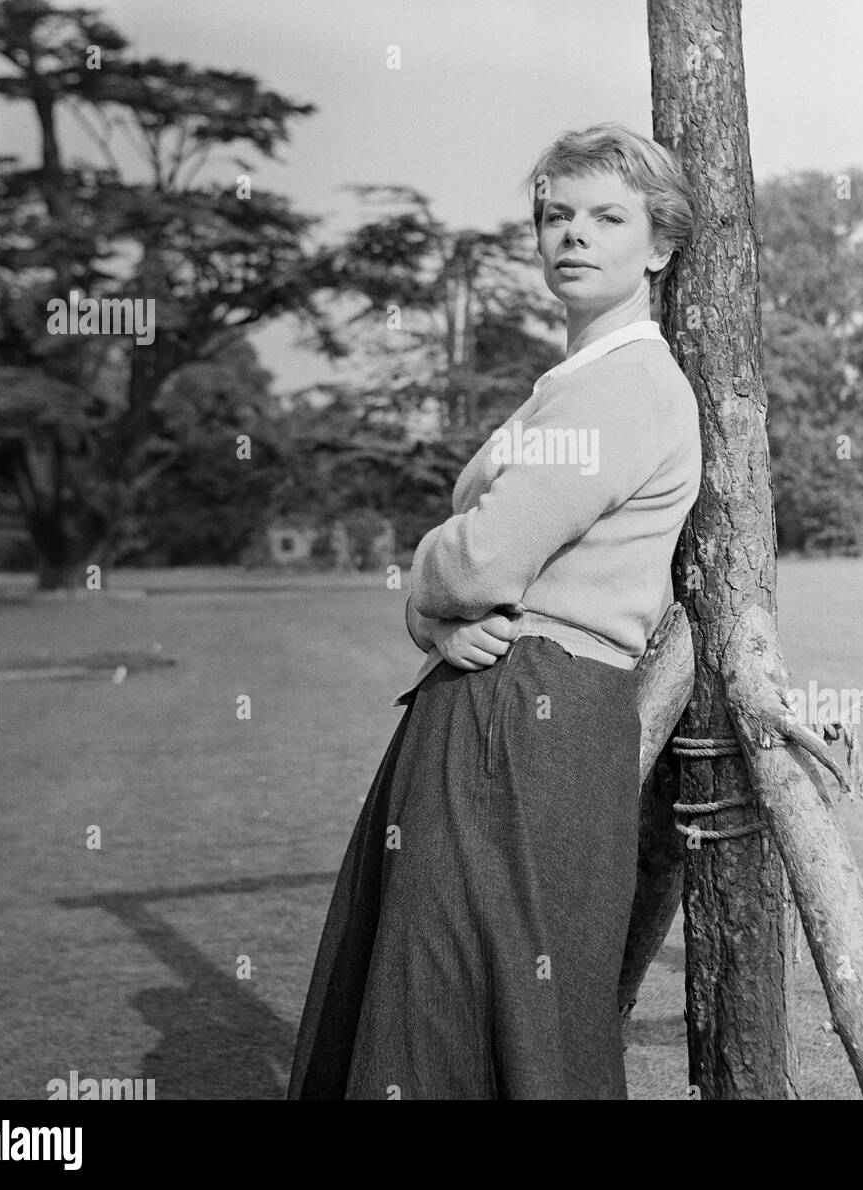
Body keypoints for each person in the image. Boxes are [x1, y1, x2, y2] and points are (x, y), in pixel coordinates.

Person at [287, 122, 702, 1100]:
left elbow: (481, 556)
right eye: (556, 215)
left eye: (607, 217)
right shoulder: (567, 383)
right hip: (497, 697)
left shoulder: (625, 387)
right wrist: (431, 622)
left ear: (658, 246)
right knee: (451, 991)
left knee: (486, 993)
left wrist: (430, 575)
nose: (573, 235)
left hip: (526, 714)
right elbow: (467, 585)